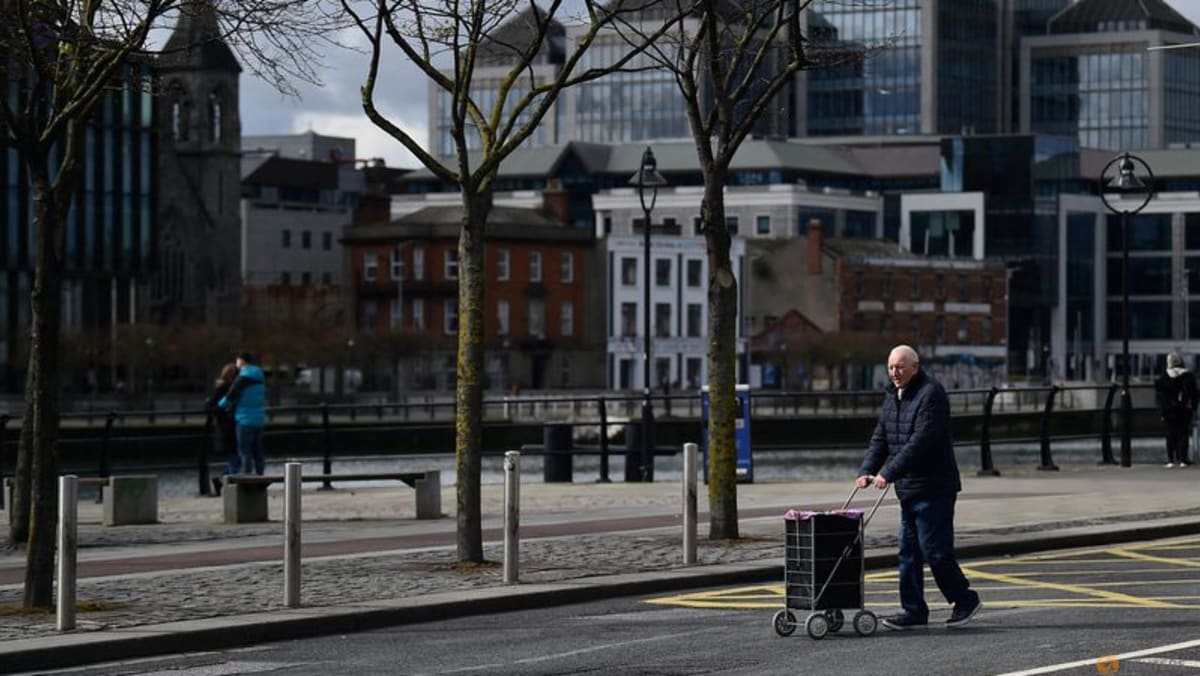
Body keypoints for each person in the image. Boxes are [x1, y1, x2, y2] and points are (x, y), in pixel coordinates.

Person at [856, 344, 981, 630]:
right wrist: (867, 470)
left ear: (915, 366)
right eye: (890, 367)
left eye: (900, 366)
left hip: (935, 487)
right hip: (908, 489)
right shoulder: (892, 396)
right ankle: (913, 611)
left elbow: (921, 442)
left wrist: (888, 472)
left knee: (935, 551)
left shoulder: (931, 394)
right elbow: (881, 438)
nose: (894, 372)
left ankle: (965, 599)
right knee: (908, 553)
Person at [218, 351, 267, 475]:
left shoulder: (242, 377)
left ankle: (247, 478)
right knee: (257, 451)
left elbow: (230, 396)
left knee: (244, 452)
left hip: (244, 419)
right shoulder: (259, 375)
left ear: (241, 361)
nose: (236, 364)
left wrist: (220, 405)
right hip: (259, 419)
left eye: (237, 361)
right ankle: (260, 475)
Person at [1155, 352, 1199, 468]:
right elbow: (1194, 394)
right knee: (1183, 433)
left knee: (1170, 433)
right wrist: (1194, 408)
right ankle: (1183, 459)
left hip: (1169, 409)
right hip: (1184, 409)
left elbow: (1160, 391)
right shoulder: (1188, 375)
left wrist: (1162, 411)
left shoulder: (1165, 375)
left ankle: (1170, 460)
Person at [204, 363, 240, 495]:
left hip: (225, 426)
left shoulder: (221, 388)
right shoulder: (229, 389)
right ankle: (224, 480)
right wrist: (224, 411)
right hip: (230, 426)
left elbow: (209, 405)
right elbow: (212, 406)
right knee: (237, 456)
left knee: (236, 457)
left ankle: (223, 480)